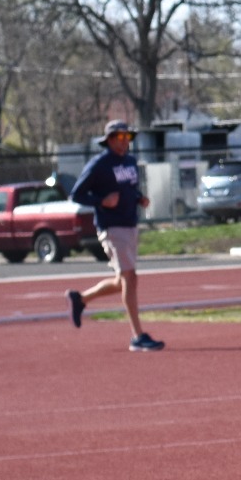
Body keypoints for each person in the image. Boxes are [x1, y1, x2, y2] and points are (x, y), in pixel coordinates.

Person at [66, 121, 163, 352]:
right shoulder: (100, 163)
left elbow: (129, 188)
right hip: (112, 227)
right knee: (130, 278)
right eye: (118, 137)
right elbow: (76, 194)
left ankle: (81, 299)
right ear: (109, 140)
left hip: (130, 224)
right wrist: (101, 201)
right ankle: (138, 336)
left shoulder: (130, 161)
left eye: (126, 137)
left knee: (124, 281)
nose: (123, 141)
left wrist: (140, 198)